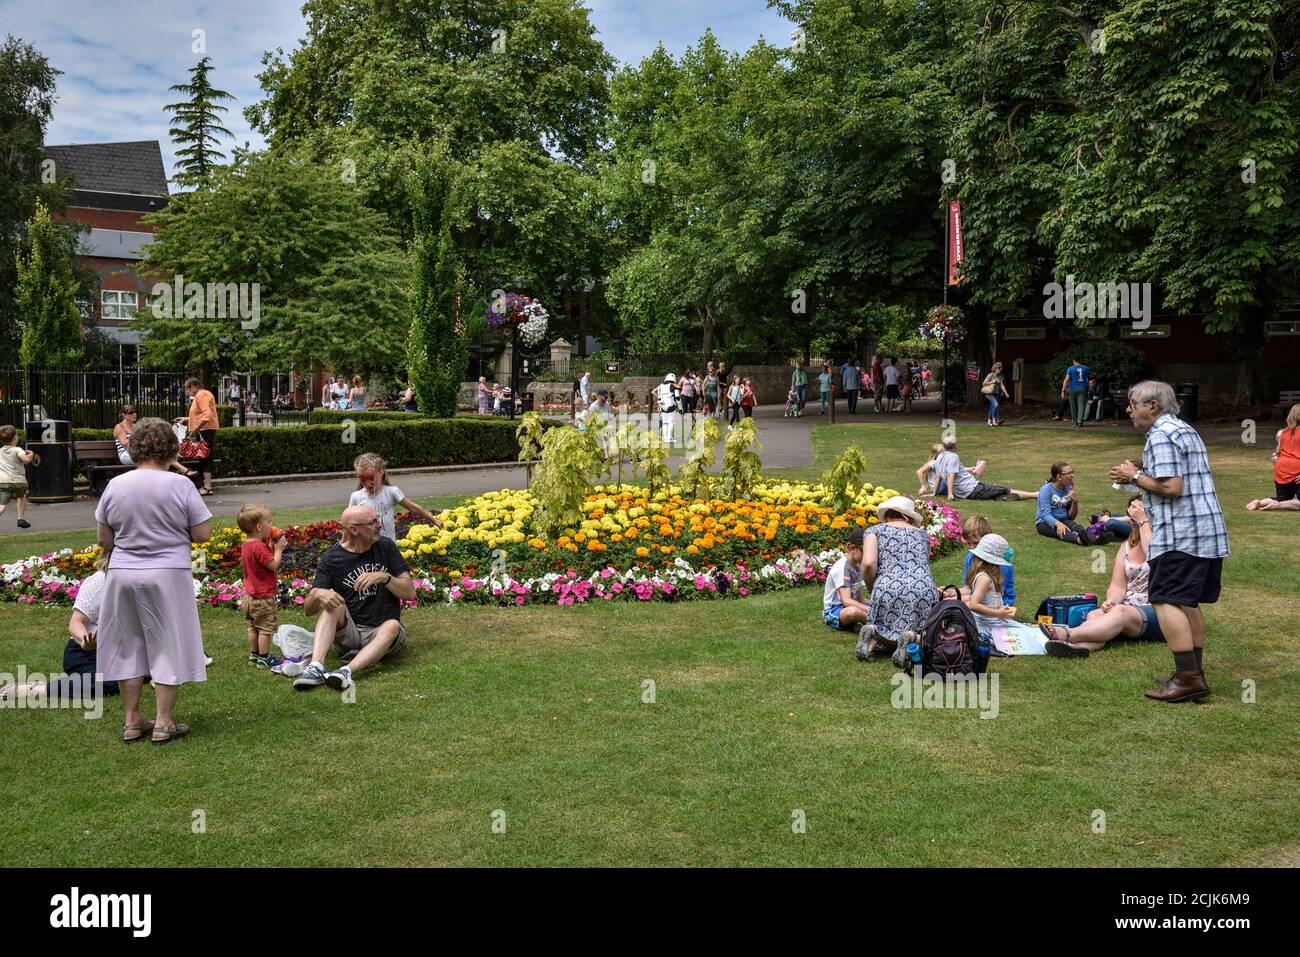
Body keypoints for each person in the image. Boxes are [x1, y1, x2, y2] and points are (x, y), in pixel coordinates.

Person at [1108, 380, 1230, 703]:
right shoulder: (1182, 429)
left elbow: (1171, 487)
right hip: (1204, 531)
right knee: (1187, 602)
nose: (1129, 409)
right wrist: (1138, 472)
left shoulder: (1160, 435)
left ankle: (1188, 678)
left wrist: (1133, 476)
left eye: (1134, 403)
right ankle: (1193, 674)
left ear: (1154, 406)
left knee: (1164, 599)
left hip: (1180, 534)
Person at [94, 417, 211, 744]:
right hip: (167, 572)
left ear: (136, 447)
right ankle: (163, 721)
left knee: (127, 641)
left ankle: (132, 720)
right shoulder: (181, 485)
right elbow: (203, 533)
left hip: (123, 572)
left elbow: (105, 538)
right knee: (167, 642)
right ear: (170, 448)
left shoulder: (116, 485)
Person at [294, 504, 416, 692]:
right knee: (332, 606)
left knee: (393, 625)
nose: (379, 524)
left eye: (377, 519)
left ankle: (346, 671)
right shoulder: (333, 558)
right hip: (350, 633)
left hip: (381, 633)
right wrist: (318, 594)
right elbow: (308, 610)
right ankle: (316, 668)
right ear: (353, 529)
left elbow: (409, 593)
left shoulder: (385, 547)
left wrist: (385, 578)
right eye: (372, 522)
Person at [1039, 497, 1164, 657]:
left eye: (1139, 512)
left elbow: (1155, 557)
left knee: (1120, 612)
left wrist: (1143, 522)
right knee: (1094, 614)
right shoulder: (1126, 546)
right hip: (1128, 607)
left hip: (1158, 609)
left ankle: (1068, 634)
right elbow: (1118, 586)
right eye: (1131, 512)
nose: (1133, 517)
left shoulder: (1163, 543)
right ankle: (1076, 648)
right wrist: (1112, 600)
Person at [0, 555, 124, 705]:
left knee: (134, 676)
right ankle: (36, 690)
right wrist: (85, 642)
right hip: (86, 653)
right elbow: (76, 623)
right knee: (112, 683)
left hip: (117, 654)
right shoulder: (99, 581)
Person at [855, 496, 938, 661]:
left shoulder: (874, 531)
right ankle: (911, 639)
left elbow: (869, 563)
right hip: (922, 586)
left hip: (888, 584)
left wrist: (872, 586)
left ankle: (872, 635)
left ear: (886, 514)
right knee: (924, 632)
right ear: (908, 516)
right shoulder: (922, 535)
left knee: (881, 623)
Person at [964, 534, 1043, 645]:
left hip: (995, 622)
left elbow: (988, 602)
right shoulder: (984, 579)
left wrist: (1001, 610)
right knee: (1029, 636)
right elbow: (973, 605)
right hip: (986, 625)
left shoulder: (990, 576)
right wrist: (997, 613)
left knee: (1033, 631)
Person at [349, 452, 441, 540]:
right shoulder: (356, 497)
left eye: (371, 478)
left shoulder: (391, 492)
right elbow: (349, 522)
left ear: (381, 472)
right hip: (366, 549)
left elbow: (414, 508)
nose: (367, 484)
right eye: (362, 480)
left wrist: (434, 520)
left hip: (388, 547)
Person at [238, 504, 286, 670]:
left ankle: (255, 655)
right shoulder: (258, 546)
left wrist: (271, 546)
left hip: (249, 597)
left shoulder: (248, 544)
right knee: (265, 628)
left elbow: (261, 559)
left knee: (253, 627)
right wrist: (279, 549)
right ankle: (264, 658)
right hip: (263, 597)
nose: (272, 525)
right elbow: (273, 565)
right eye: (269, 521)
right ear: (259, 526)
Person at [935, 435, 1033, 502]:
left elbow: (939, 475)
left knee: (994, 491)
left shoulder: (940, 457)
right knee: (1003, 489)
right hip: (973, 489)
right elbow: (950, 474)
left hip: (965, 491)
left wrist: (934, 493)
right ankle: (1034, 495)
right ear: (955, 445)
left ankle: (1001, 497)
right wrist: (950, 494)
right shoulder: (953, 457)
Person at [1246, 403, 1300, 510]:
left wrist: (1277, 458)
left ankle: (1259, 502)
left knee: (1282, 498)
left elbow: (1278, 452)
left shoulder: (1283, 432)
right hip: (1297, 469)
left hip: (1281, 468)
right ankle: (1277, 505)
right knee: (1290, 502)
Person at [113, 407, 195, 477]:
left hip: (139, 451)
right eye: (131, 412)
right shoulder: (119, 427)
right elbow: (125, 444)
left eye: (135, 412)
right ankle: (183, 470)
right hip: (126, 454)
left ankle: (179, 471)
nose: (134, 414)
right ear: (123, 414)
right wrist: (139, 441)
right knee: (155, 454)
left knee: (157, 452)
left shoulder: (136, 426)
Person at [172, 377, 218, 496]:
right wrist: (186, 419)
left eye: (187, 389)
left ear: (192, 386)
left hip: (205, 430)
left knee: (205, 457)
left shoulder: (201, 395)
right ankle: (205, 485)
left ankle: (207, 487)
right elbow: (201, 414)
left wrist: (197, 429)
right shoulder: (204, 394)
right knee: (204, 457)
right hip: (205, 429)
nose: (187, 392)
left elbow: (206, 415)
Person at [960, 515, 1015, 606]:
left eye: (976, 543)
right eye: (968, 543)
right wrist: (952, 592)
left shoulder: (1000, 563)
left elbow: (997, 593)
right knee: (951, 599)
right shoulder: (970, 558)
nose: (971, 547)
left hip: (999, 602)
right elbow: (967, 587)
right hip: (977, 596)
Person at [1035, 462, 1094, 545]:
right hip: (1044, 523)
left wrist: (1075, 502)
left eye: (1072, 472)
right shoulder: (1046, 490)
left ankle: (1096, 539)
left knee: (1079, 528)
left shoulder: (1068, 488)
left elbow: (1071, 517)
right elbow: (1046, 515)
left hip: (1064, 520)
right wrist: (1059, 524)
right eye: (1068, 473)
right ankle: (1079, 540)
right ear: (1059, 477)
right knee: (1062, 531)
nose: (1072, 475)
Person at [824, 527, 870, 631]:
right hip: (836, 611)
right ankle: (877, 622)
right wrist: (869, 610)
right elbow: (847, 601)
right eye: (866, 551)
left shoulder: (858, 566)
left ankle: (862, 622)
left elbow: (860, 599)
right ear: (852, 548)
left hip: (851, 605)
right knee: (852, 612)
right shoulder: (842, 567)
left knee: (876, 605)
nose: (869, 556)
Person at [0, 423, 35, 529]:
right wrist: (31, 454)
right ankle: (20, 518)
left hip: (3, 481)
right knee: (22, 496)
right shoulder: (17, 449)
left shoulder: (1, 451)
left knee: (2, 505)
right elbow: (26, 460)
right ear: (15, 437)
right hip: (19, 481)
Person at [1061, 356, 1091, 428]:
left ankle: (1074, 422)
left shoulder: (1070, 368)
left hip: (1073, 389)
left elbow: (1066, 380)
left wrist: (1063, 391)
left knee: (1073, 406)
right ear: (1080, 360)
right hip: (1082, 388)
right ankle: (1080, 422)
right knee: (1081, 406)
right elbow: (1091, 377)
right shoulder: (1086, 368)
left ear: (1073, 360)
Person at [982, 362, 1009, 426]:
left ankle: (989, 421)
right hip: (989, 393)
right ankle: (994, 419)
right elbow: (984, 383)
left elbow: (1002, 386)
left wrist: (1006, 393)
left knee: (992, 406)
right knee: (996, 405)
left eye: (1000, 368)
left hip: (996, 394)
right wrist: (992, 382)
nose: (1000, 369)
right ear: (995, 368)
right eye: (998, 368)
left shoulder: (1000, 376)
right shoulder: (990, 375)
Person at [656, 373, 679, 443]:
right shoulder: (673, 386)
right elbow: (678, 398)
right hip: (671, 406)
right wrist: (681, 409)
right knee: (671, 422)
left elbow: (659, 396)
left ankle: (665, 438)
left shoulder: (660, 386)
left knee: (665, 422)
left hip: (662, 406)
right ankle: (669, 438)